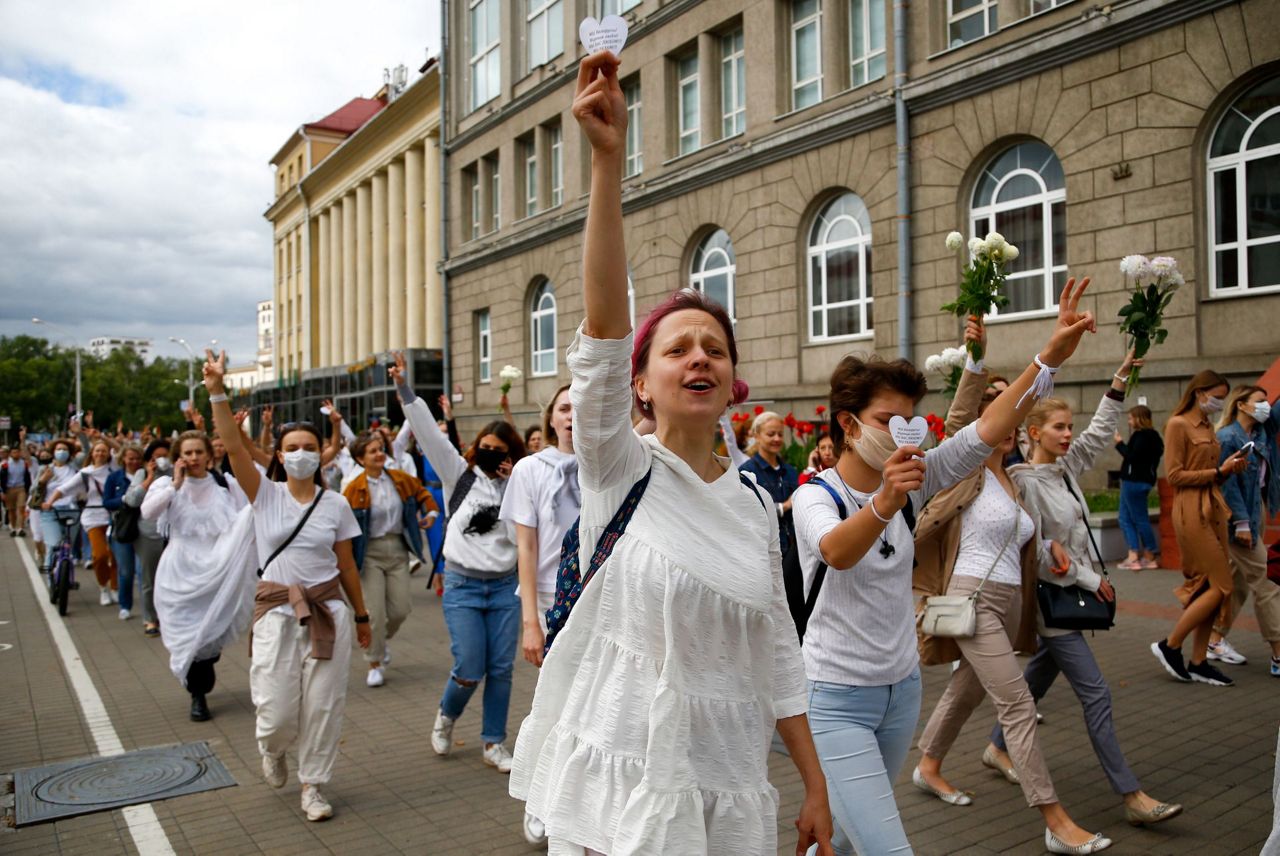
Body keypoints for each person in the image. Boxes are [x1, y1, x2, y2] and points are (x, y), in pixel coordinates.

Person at [507, 51, 836, 856]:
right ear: (640, 387)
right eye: (678, 348)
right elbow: (603, 326)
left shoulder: (759, 503)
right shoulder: (619, 466)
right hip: (619, 773)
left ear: (732, 381)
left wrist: (815, 783)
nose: (699, 358)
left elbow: (776, 652)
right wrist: (607, 164)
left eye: (714, 349)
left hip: (721, 773)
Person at [793, 288, 1101, 856]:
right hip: (834, 697)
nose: (904, 433)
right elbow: (836, 551)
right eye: (888, 420)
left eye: (911, 421)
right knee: (889, 847)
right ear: (849, 424)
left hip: (900, 691)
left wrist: (1050, 356)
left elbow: (985, 429)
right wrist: (884, 502)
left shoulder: (919, 476)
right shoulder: (818, 495)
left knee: (841, 830)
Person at [912, 321, 1117, 852]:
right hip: (971, 597)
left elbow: (1028, 535)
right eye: (998, 412)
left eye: (1013, 414)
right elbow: (962, 419)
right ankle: (1055, 821)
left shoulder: (1015, 479)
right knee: (1019, 704)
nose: (1009, 422)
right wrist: (977, 363)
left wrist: (1050, 546)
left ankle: (929, 764)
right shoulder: (967, 471)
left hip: (1008, 603)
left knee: (969, 688)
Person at [988, 359, 1181, 833]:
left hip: (1074, 601)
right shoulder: (1025, 483)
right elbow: (1038, 556)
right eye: (1058, 427)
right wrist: (1094, 581)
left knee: (1037, 678)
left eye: (1068, 426)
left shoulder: (1065, 471)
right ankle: (1131, 794)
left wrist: (1118, 385)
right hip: (1055, 605)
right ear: (1033, 432)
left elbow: (1099, 432)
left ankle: (996, 745)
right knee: (1096, 695)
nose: (1068, 434)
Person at [204, 350, 372, 823]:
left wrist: (361, 616)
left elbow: (348, 567)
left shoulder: (336, 504)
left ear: (322, 452)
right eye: (291, 447)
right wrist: (218, 390)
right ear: (279, 456)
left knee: (323, 706)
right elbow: (234, 448)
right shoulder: (264, 495)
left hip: (328, 613)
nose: (300, 453)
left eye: (308, 446)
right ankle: (273, 749)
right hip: (277, 613)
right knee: (277, 712)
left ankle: (313, 784)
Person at [398, 352, 527, 775]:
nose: (491, 455)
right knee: (470, 667)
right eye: (485, 449)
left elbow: (522, 537)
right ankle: (447, 715)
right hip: (463, 587)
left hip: (505, 588)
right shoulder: (460, 475)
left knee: (501, 669)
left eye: (499, 451)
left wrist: (514, 483)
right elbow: (430, 438)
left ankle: (493, 742)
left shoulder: (520, 486)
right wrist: (405, 390)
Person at [499, 383, 578, 846]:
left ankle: (577, 803)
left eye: (582, 407)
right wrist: (532, 621)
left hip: (601, 600)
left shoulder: (610, 464)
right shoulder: (531, 469)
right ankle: (540, 801)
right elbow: (525, 548)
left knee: (587, 708)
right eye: (565, 408)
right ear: (551, 418)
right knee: (554, 705)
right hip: (551, 601)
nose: (573, 415)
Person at [1152, 370, 1249, 687]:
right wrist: (1215, 471)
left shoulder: (1208, 427)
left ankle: (1199, 661)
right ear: (1199, 392)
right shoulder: (1178, 425)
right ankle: (1170, 645)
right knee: (1223, 586)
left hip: (1211, 506)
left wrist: (1227, 469)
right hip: (1191, 508)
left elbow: (1211, 474)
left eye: (1223, 397)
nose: (1220, 402)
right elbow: (1175, 476)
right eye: (1217, 396)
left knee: (1211, 587)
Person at [143, 431, 249, 721]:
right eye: (187, 453)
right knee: (185, 634)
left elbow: (248, 515)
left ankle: (203, 673)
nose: (193, 458)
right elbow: (148, 511)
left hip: (216, 570)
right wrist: (175, 485)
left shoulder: (226, 484)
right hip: (179, 572)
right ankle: (197, 695)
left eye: (198, 452)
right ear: (179, 457)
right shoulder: (167, 484)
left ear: (209, 455)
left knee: (209, 637)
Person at [342, 430, 438, 688]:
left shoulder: (400, 478)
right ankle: (374, 661)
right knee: (374, 612)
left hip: (397, 550)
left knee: (400, 609)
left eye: (380, 448)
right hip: (369, 553)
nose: (379, 453)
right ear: (360, 459)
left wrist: (431, 514)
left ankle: (379, 642)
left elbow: (423, 495)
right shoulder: (353, 489)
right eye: (372, 451)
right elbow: (342, 525)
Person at [1206, 385, 1280, 672]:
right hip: (1238, 517)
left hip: (1256, 508)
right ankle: (1277, 653)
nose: (1265, 407)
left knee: (1237, 581)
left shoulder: (1261, 434)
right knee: (1268, 579)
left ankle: (1214, 638)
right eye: (1259, 402)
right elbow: (1227, 484)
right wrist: (1241, 523)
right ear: (1242, 405)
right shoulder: (1227, 437)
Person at [43, 439, 120, 607]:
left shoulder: (114, 470)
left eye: (103, 451)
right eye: (97, 450)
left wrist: (100, 436)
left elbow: (120, 449)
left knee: (115, 555)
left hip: (113, 515)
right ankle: (103, 588)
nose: (100, 453)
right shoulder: (85, 473)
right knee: (99, 556)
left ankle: (115, 588)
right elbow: (63, 489)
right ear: (91, 454)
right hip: (92, 516)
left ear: (108, 454)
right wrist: (50, 502)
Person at [125, 439, 171, 637]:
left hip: (173, 533)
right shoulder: (142, 474)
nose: (162, 459)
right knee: (149, 579)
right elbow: (132, 500)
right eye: (157, 456)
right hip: (148, 534)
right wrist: (149, 477)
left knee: (170, 578)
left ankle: (167, 616)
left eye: (165, 455)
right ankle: (150, 619)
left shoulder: (176, 473)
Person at [740, 411, 801, 557]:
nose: (777, 438)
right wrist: (785, 506)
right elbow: (747, 512)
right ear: (756, 436)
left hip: (794, 551)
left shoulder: (790, 471)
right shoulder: (747, 472)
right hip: (764, 552)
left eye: (780, 434)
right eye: (771, 434)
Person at [1114, 406, 1163, 570]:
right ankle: (1142, 555)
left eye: (1130, 418)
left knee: (1130, 518)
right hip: (1145, 481)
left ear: (1138, 419)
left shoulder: (1140, 436)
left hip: (1132, 481)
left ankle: (1140, 555)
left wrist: (1120, 443)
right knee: (1133, 517)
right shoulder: (1156, 437)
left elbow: (1131, 456)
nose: (1129, 422)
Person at [103, 444, 145, 620]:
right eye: (130, 458)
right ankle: (125, 605)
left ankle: (148, 610)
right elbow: (107, 502)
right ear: (123, 459)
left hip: (143, 528)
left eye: (137, 458)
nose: (134, 462)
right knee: (126, 571)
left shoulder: (146, 476)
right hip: (122, 529)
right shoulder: (114, 478)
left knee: (142, 571)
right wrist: (125, 499)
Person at [37, 437, 82, 574]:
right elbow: (34, 491)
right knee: (53, 545)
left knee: (68, 546)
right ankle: (51, 581)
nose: (61, 452)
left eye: (65, 449)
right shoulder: (45, 469)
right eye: (58, 449)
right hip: (50, 511)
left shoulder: (75, 468)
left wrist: (80, 433)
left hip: (72, 511)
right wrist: (42, 481)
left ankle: (64, 576)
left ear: (70, 453)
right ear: (53, 452)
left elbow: (86, 450)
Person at [3, 430, 31, 536]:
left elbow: (28, 477)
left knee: (21, 508)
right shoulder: (5, 465)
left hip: (21, 488)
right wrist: (2, 491)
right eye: (14, 452)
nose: (16, 454)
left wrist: (27, 489)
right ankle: (13, 527)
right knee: (11, 510)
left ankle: (20, 528)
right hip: (9, 489)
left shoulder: (23, 463)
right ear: (10, 454)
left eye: (17, 452)